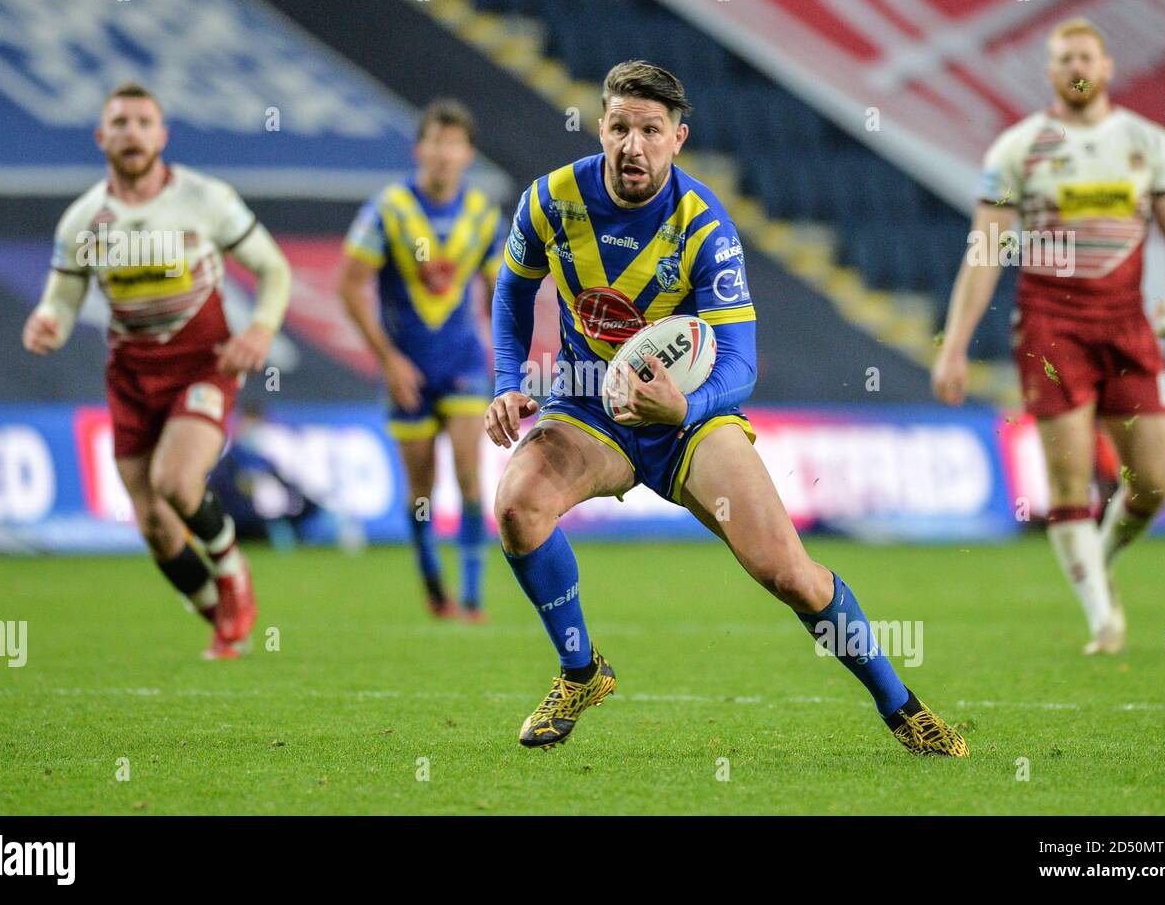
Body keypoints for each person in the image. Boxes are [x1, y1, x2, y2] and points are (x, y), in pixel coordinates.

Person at [488, 60, 967, 756]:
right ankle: (581, 673)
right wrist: (507, 380)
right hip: (591, 409)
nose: (633, 146)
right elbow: (511, 294)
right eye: (620, 127)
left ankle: (902, 706)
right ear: (601, 127)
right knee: (516, 508)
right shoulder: (549, 201)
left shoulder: (703, 225)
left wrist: (684, 406)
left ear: (677, 138)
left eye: (650, 130)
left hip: (690, 422)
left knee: (788, 575)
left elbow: (741, 364)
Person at [932, 19, 1165, 654]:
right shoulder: (1017, 149)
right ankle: (1103, 619)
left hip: (1128, 324)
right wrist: (954, 345)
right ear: (1049, 72)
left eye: (1085, 55)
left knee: (1154, 483)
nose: (1075, 65)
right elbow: (984, 251)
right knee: (1069, 478)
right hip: (1052, 326)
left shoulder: (1147, 143)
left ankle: (1100, 561)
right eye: (1062, 58)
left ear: (1106, 66)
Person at [22, 82, 293, 659]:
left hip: (204, 363)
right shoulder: (83, 222)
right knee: (153, 523)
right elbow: (62, 299)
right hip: (131, 376)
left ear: (162, 135)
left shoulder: (205, 199)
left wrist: (261, 330)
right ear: (101, 137)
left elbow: (273, 268)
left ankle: (233, 575)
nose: (132, 133)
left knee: (176, 482)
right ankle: (223, 621)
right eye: (119, 123)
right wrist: (48, 320)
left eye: (144, 122)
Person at [340, 100, 502, 621]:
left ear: (468, 153)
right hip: (406, 368)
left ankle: (473, 595)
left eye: (453, 143)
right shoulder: (386, 210)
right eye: (435, 141)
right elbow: (349, 285)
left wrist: (507, 351)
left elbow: (499, 289)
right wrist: (387, 360)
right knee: (421, 488)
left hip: (462, 362)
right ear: (419, 149)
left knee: (471, 474)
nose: (443, 154)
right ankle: (435, 585)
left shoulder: (483, 213)